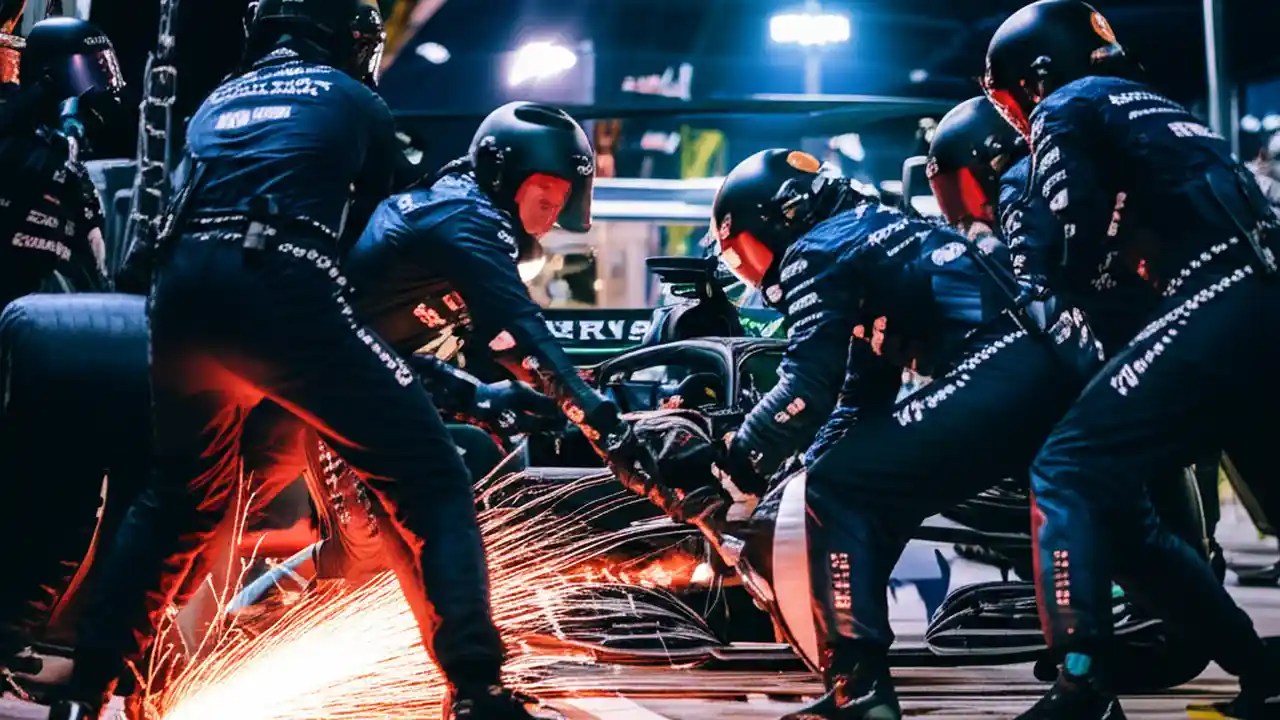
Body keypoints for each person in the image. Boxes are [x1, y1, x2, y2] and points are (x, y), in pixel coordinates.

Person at [58, 3, 562, 719]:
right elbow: (371, 254)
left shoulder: (215, 102)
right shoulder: (358, 101)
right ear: (348, 40)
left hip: (181, 306)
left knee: (178, 501)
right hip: (282, 284)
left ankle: (89, 692)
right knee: (433, 480)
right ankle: (478, 689)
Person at [707, 147, 1103, 720]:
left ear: (778, 217)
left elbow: (805, 388)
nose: (745, 269)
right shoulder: (874, 232)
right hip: (1044, 371)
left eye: (738, 247)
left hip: (1002, 372)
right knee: (1139, 542)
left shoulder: (814, 250)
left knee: (835, 489)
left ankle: (861, 690)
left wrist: (736, 466)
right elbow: (860, 399)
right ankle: (1231, 672)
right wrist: (793, 477)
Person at [983, 1, 1280, 717]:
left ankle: (1082, 686)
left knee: (1068, 469)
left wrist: (1036, 307)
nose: (1013, 117)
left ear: (1036, 76)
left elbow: (1076, 239)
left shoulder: (1065, 107)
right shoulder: (1159, 106)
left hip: (1216, 298)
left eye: (1006, 99)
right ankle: (1263, 674)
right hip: (1261, 300)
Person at [343, 101, 696, 526]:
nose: (550, 220)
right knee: (457, 486)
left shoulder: (457, 205)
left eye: (560, 202)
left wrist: (481, 398)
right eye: (545, 200)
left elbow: (391, 355)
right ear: (501, 176)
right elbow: (524, 333)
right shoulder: (465, 219)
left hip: (351, 387)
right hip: (329, 395)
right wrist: (611, 434)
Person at [0, 16, 116, 312]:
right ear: (49, 80)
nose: (94, 90)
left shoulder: (73, 169)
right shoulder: (19, 154)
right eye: (84, 71)